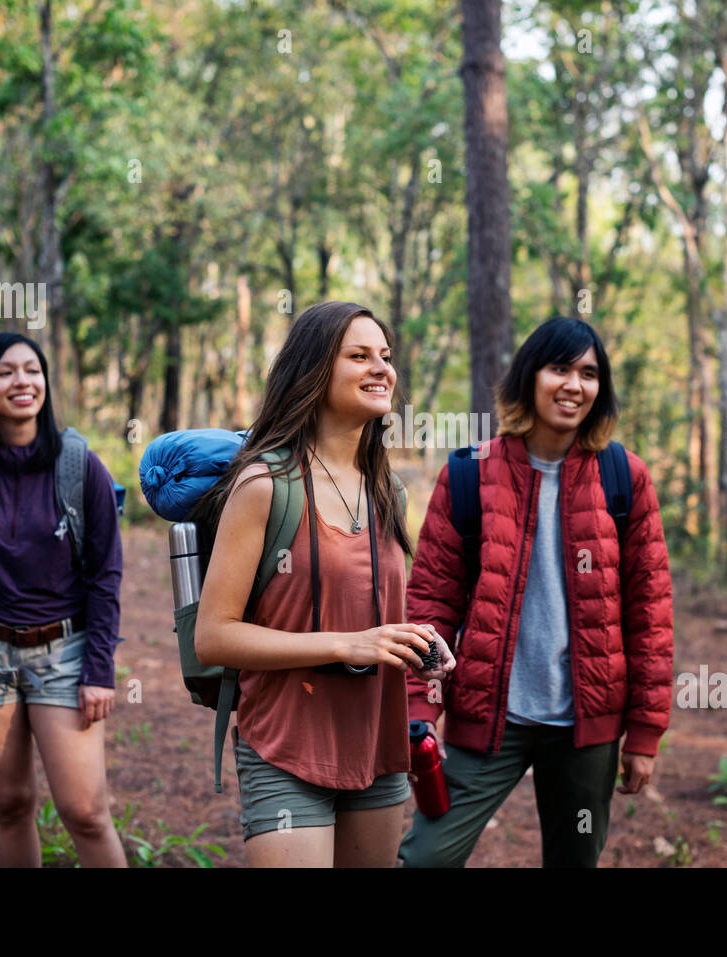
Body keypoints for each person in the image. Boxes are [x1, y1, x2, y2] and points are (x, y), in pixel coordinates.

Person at [398, 315, 674, 868]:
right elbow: (431, 602)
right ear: (530, 376)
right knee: (426, 858)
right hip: (488, 714)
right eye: (560, 368)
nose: (574, 384)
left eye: (589, 374)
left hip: (585, 726)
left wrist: (644, 732)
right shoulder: (469, 476)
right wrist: (419, 704)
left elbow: (651, 614)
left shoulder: (624, 477)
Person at [192, 300, 455, 868]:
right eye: (359, 356)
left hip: (377, 745)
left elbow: (365, 604)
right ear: (313, 371)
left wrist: (414, 642)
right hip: (287, 745)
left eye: (385, 356)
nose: (381, 368)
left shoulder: (389, 492)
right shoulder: (265, 484)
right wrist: (346, 642)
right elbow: (214, 637)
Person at [0, 332, 126, 867]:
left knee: (86, 811)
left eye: (32, 370)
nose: (23, 381)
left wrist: (99, 669)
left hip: (62, 652)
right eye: (6, 372)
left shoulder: (79, 465)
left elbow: (106, 574)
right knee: (10, 804)